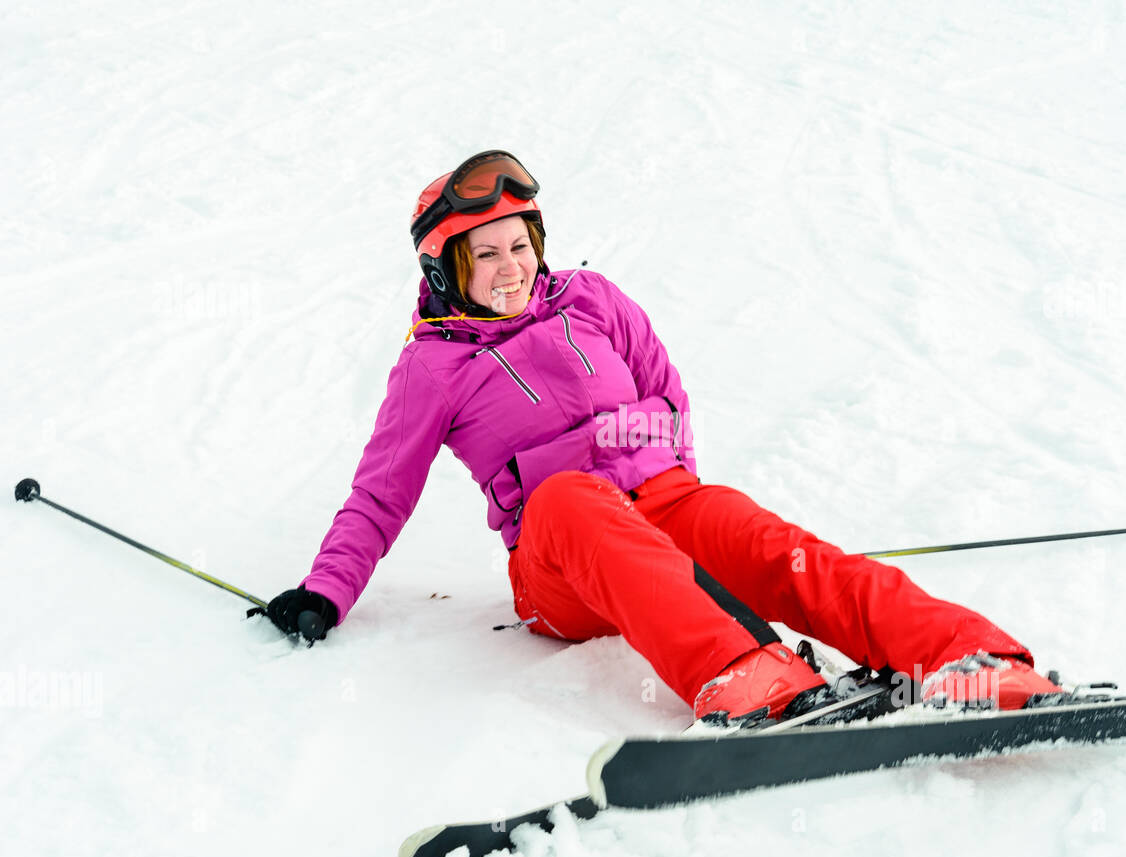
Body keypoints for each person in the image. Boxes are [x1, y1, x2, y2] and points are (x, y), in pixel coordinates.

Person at [265, 149, 1063, 722]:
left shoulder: (591, 299)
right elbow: (380, 494)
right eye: (487, 255)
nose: (511, 267)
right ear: (447, 268)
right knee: (570, 497)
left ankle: (970, 661)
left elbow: (665, 396)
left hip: (660, 509)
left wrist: (660, 485)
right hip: (560, 566)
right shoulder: (431, 368)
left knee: (758, 537)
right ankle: (744, 673)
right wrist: (326, 592)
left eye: (520, 245)